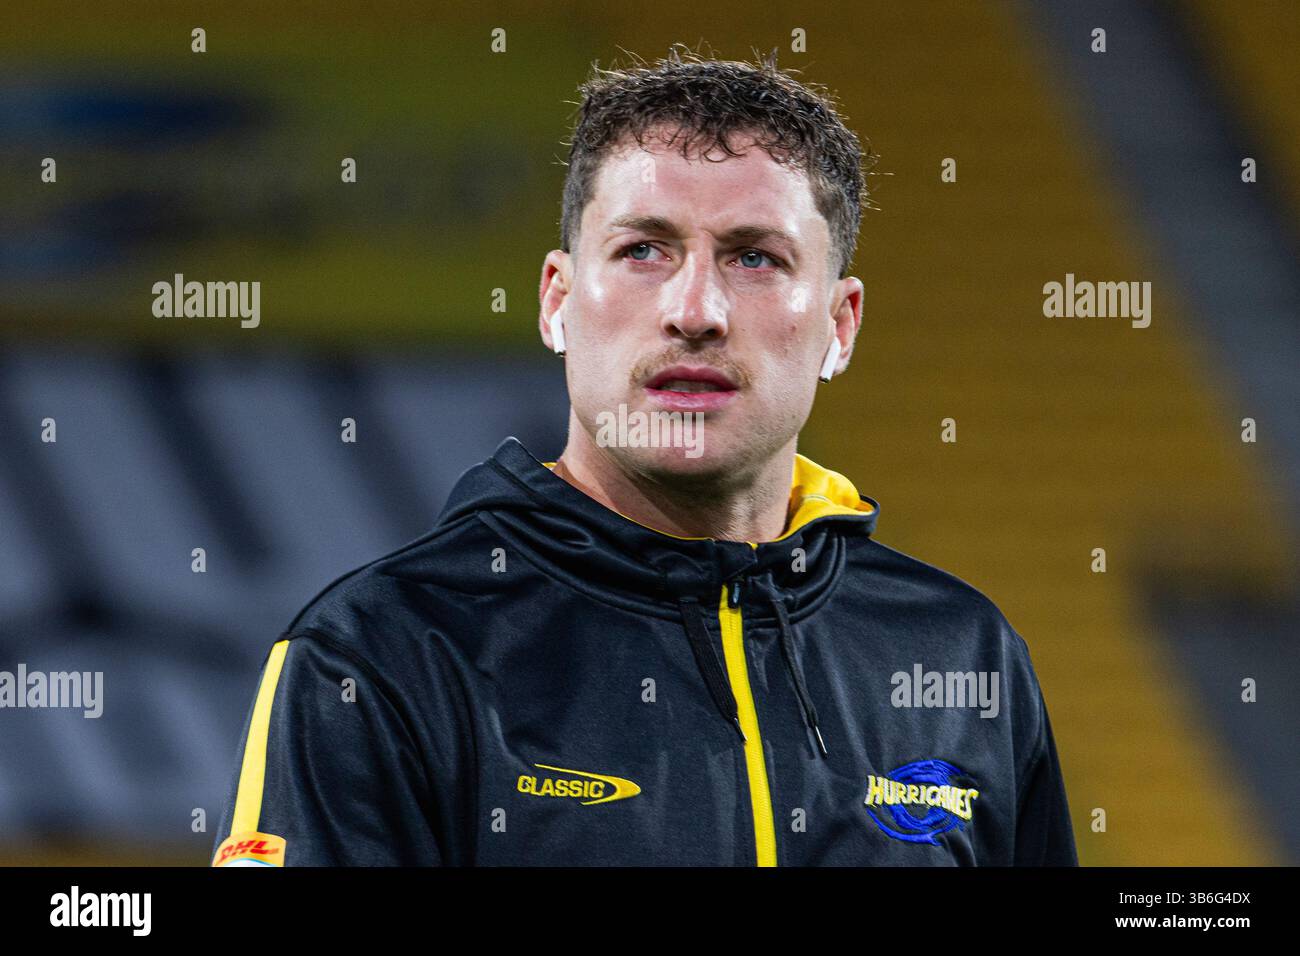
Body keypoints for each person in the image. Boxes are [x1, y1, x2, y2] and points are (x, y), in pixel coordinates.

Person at [212, 48, 1077, 866]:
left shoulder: (963, 655)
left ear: (840, 326)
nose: (694, 310)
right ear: (556, 302)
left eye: (754, 258)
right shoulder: (381, 654)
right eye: (643, 250)